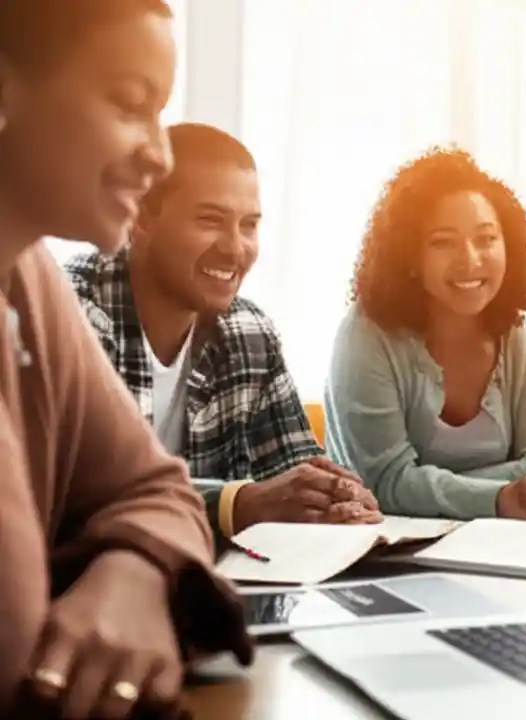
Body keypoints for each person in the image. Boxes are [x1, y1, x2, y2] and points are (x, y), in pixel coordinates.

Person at [0, 1, 250, 717]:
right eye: (129, 105)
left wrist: (135, 567)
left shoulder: (26, 277)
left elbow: (157, 490)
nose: (160, 155)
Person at [65, 122, 381, 541]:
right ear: (141, 217)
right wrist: (239, 504)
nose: (236, 248)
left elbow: (295, 474)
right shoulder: (71, 316)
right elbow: (79, 496)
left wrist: (335, 499)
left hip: (208, 590)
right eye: (211, 220)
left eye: (249, 226)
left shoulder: (249, 334)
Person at [325, 147, 526, 521]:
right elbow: (382, 485)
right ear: (410, 256)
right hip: (387, 554)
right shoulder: (366, 335)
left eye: (486, 239)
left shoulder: (521, 340)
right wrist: (500, 498)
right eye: (443, 242)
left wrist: (428, 488)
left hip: (507, 552)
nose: (470, 260)